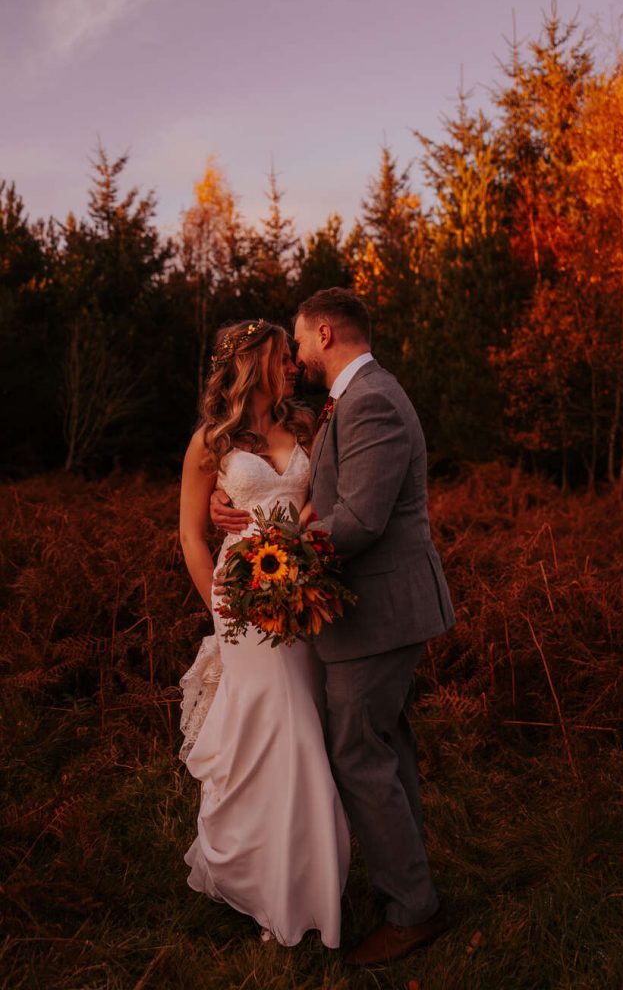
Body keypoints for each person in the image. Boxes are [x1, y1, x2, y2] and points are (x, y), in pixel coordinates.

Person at [211, 288, 456, 965]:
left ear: (324, 332)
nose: (298, 357)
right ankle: (411, 889)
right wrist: (228, 503)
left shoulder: (370, 398)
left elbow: (363, 519)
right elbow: (319, 494)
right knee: (383, 747)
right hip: (371, 612)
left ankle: (412, 910)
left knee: (357, 755)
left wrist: (277, 567)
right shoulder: (349, 401)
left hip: (378, 614)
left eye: (300, 342)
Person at [178, 318, 350, 949]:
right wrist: (221, 611)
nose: (292, 366)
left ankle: (289, 873)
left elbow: (322, 500)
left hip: (302, 587)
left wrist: (303, 544)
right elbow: (192, 536)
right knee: (284, 726)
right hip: (243, 600)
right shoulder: (211, 442)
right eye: (282, 357)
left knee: (302, 718)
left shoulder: (305, 425)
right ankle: (284, 888)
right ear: (252, 363)